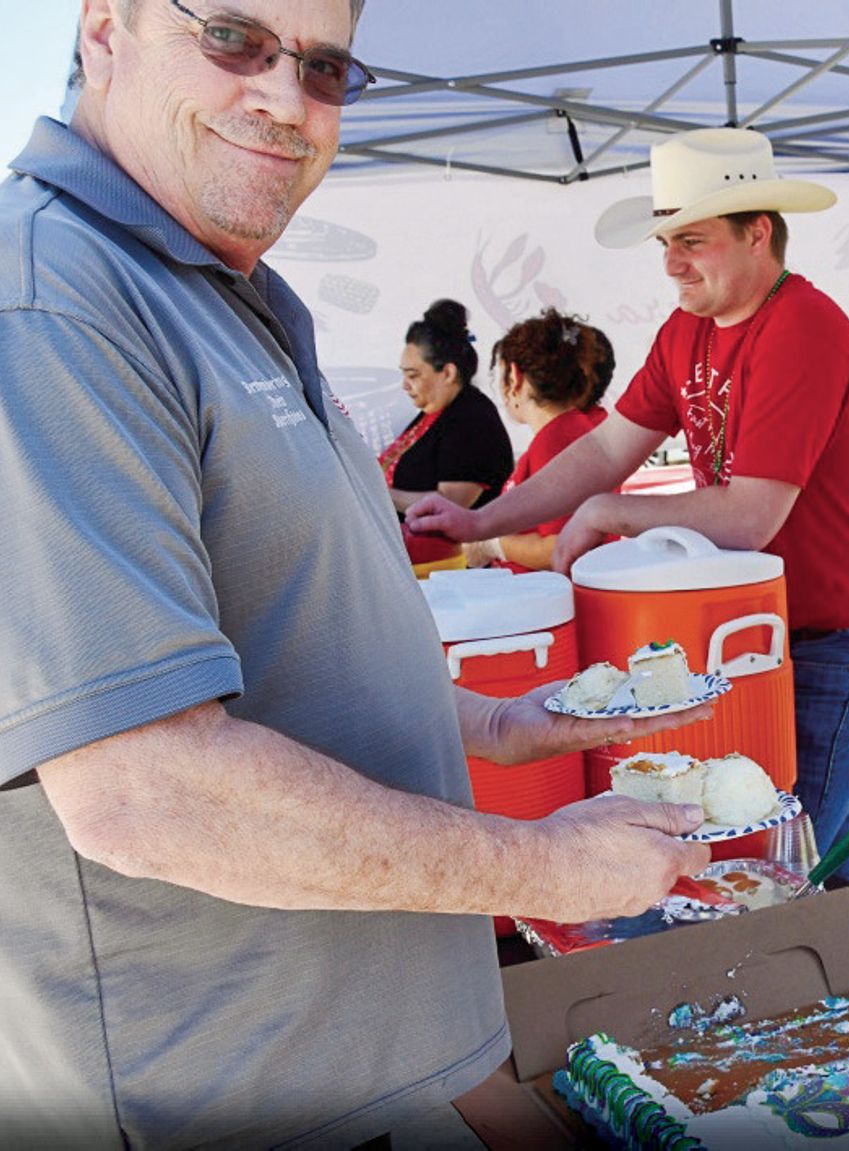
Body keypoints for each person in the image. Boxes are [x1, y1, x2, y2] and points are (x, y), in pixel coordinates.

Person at [0, 2, 712, 1145]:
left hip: (360, 1059)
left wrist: (493, 723)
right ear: (103, 32)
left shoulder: (217, 288)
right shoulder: (51, 303)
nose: (286, 99)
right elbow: (146, 789)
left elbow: (285, 640)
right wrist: (542, 865)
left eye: (325, 67)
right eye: (233, 39)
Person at [410, 128, 849, 883]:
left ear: (757, 233)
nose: (672, 263)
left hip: (840, 643)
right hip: (763, 629)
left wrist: (613, 513)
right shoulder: (688, 330)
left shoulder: (803, 326)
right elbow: (607, 448)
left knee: (776, 856)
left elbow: (749, 515)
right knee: (789, 845)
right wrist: (482, 522)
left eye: (692, 241)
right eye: (666, 243)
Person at [464, 308, 615, 572]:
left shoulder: (558, 440)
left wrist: (491, 545)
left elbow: (563, 545)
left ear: (515, 376)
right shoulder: (569, 431)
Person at [381, 297, 513, 517]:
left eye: (413, 375)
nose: (405, 385)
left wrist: (377, 494)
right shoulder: (434, 414)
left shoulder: (472, 420)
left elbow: (451, 503)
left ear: (448, 373)